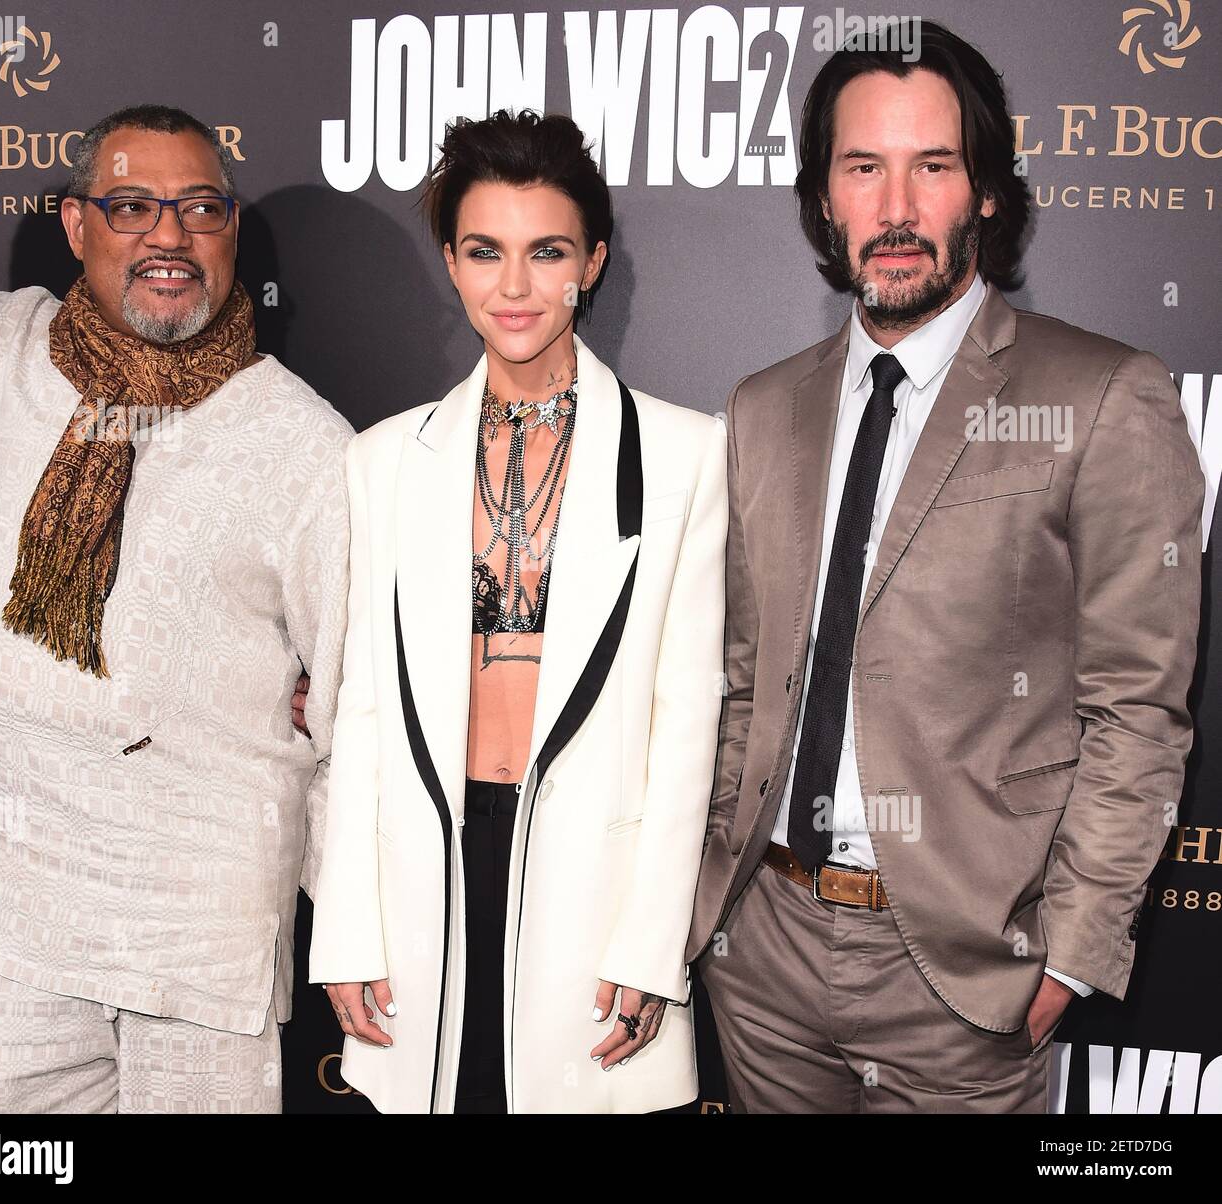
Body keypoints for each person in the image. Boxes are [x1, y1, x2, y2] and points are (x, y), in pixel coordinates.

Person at [687, 20, 1204, 1113]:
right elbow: (744, 676)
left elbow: (1137, 708)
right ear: (824, 199)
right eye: (862, 167)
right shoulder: (762, 408)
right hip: (763, 953)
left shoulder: (1105, 395)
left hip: (965, 968)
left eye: (933, 165)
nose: (897, 206)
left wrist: (1069, 949)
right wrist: (710, 907)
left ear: (985, 193)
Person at [0, 105, 351, 1113]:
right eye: (132, 206)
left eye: (199, 207)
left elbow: (350, 715)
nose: (168, 234)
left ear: (230, 229)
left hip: (200, 950)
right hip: (10, 936)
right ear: (77, 227)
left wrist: (352, 932)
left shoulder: (308, 449)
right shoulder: (7, 342)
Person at [309, 108, 727, 1113]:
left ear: (591, 260)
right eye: (484, 251)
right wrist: (349, 925)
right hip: (427, 874)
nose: (514, 287)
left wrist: (650, 940)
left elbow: (689, 724)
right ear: (450, 262)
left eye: (545, 252)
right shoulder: (382, 460)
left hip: (592, 892)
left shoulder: (682, 455)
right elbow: (360, 711)